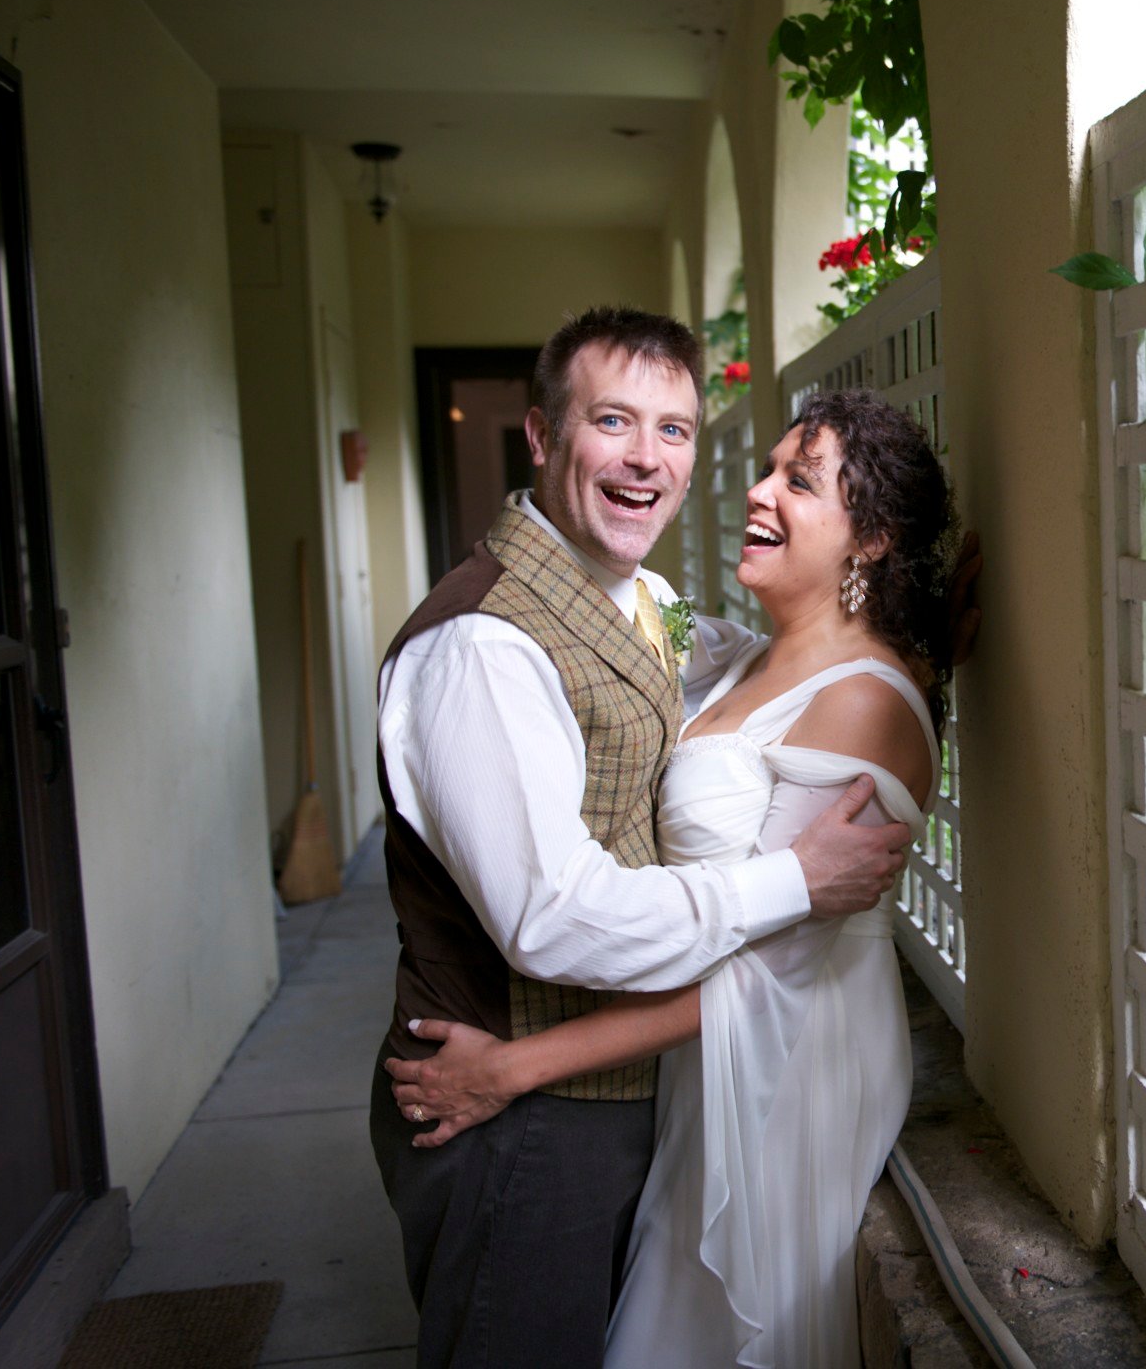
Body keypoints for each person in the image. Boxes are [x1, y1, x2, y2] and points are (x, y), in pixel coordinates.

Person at [369, 310, 922, 1369]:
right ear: (541, 436)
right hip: (505, 1106)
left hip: (637, 1101)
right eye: (612, 422)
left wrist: (917, 643)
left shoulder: (643, 604)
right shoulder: (483, 648)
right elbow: (554, 918)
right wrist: (794, 880)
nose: (647, 459)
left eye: (674, 430)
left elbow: (767, 668)